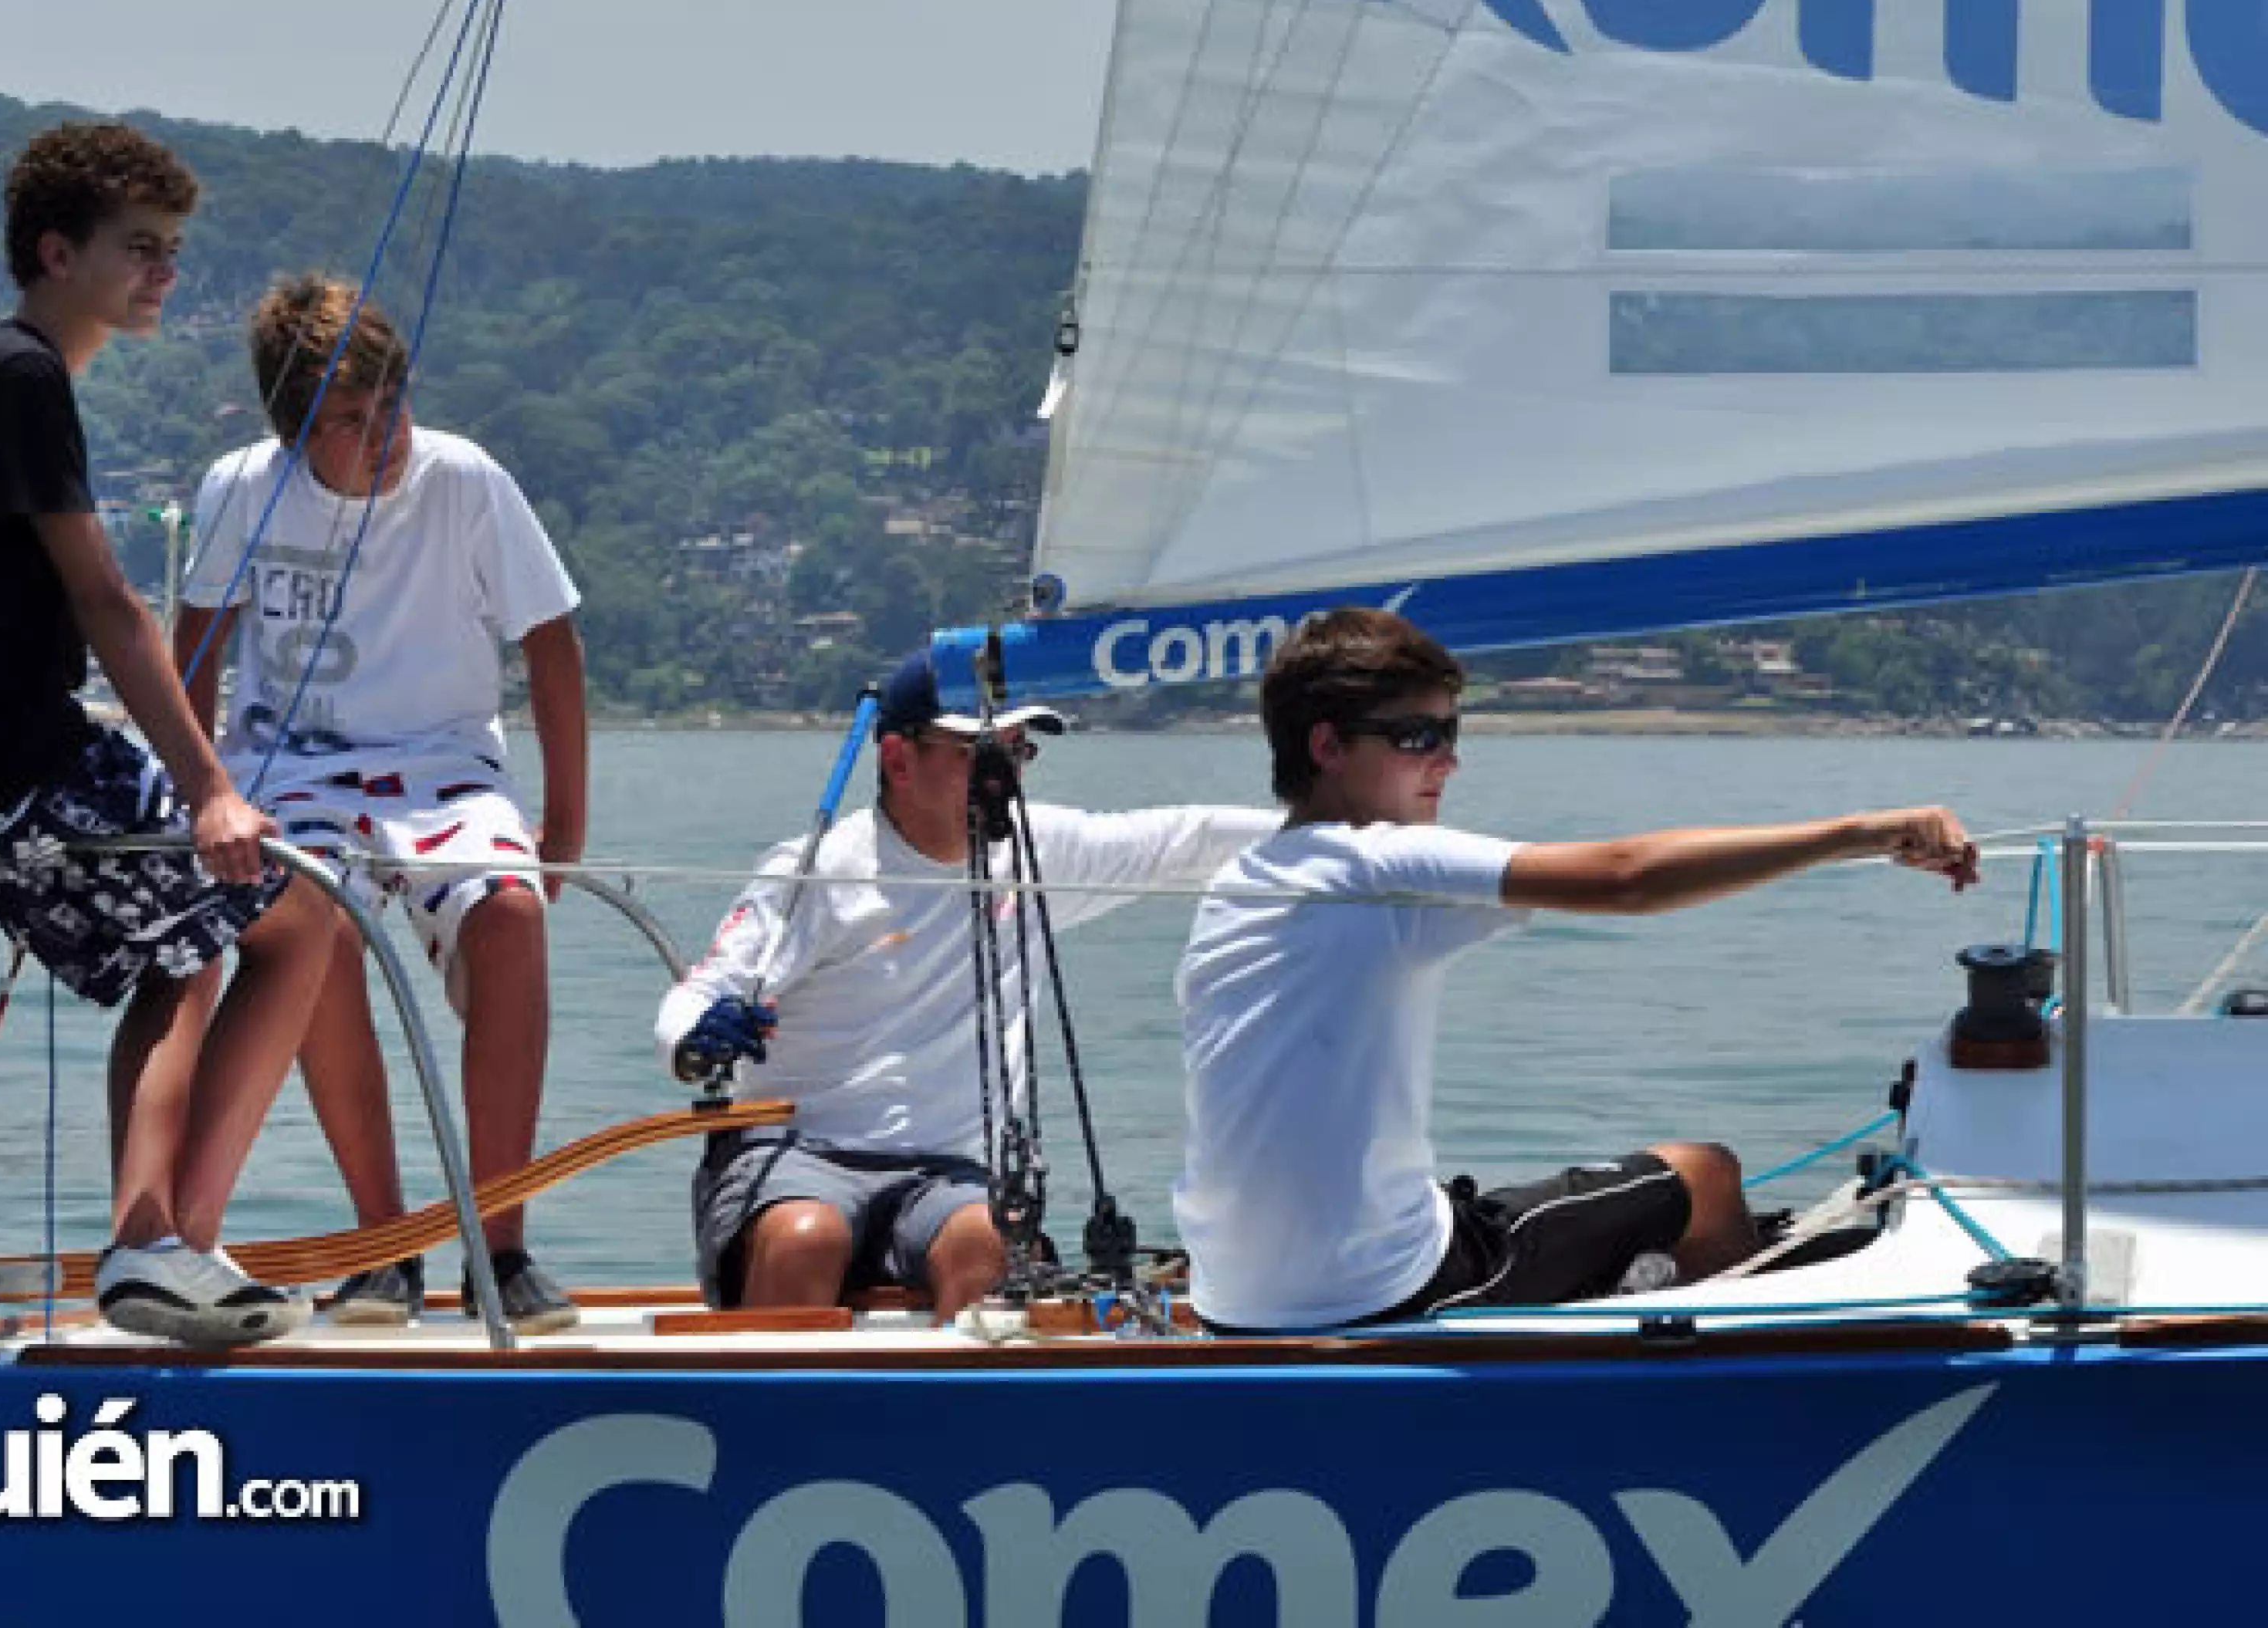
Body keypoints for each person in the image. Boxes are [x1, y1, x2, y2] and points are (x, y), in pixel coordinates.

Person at [0, 121, 336, 1346]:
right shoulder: (20, 377)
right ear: (57, 251)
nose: (163, 272)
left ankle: (161, 1241)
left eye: (172, 251)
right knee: (287, 920)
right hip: (9, 755)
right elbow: (109, 601)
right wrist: (212, 787)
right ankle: (154, 1246)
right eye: (139, 249)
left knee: (199, 943)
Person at [1174, 607, 1980, 1335]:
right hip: (1375, 1289)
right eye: (1418, 736)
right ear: (1326, 747)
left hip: (1230, 1296)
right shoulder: (1373, 859)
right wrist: (1858, 833)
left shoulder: (1246, 878)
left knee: (1521, 1206)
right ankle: (1714, 1398)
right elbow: (1627, 875)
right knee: (1702, 1173)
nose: (1447, 762)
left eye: (1453, 734)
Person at [173, 273, 589, 1335]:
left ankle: (501, 1248)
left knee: (510, 915)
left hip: (445, 768)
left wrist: (565, 824)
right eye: (352, 420)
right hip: (291, 777)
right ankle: (384, 1249)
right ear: (293, 427)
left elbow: (550, 641)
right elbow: (196, 650)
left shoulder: (466, 480)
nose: (384, 433)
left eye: (392, 402)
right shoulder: (240, 487)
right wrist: (200, 791)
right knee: (317, 933)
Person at [655, 650, 1283, 1319]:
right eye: (978, 755)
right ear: (898, 760)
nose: (1003, 776)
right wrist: (698, 1036)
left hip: (950, 1172)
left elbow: (1189, 840)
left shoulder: (1039, 849)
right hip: (799, 1153)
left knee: (986, 1244)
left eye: (1017, 752)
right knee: (806, 1240)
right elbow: (698, 994)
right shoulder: (820, 870)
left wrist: (1374, 831)